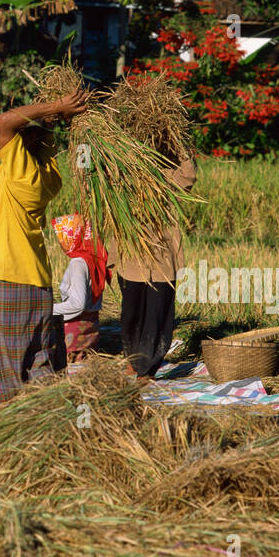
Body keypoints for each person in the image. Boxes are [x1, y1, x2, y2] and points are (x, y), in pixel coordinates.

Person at [0, 90, 88, 407]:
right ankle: (47, 420)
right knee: (39, 365)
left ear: (22, 145)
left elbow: (6, 120)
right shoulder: (48, 176)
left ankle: (1, 433)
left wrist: (55, 107)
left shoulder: (21, 173)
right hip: (37, 285)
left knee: (2, 369)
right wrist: (52, 119)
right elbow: (21, 129)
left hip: (8, 281)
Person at [108, 153, 197, 385]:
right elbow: (93, 181)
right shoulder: (121, 177)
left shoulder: (168, 177)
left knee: (158, 314)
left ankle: (148, 368)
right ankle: (134, 358)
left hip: (162, 259)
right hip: (130, 258)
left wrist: (180, 147)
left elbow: (188, 176)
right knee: (131, 313)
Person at [51, 214, 110, 370]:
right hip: (90, 329)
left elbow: (78, 304)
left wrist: (49, 309)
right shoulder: (94, 258)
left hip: (75, 335)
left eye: (64, 235)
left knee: (75, 372)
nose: (61, 240)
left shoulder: (78, 263)